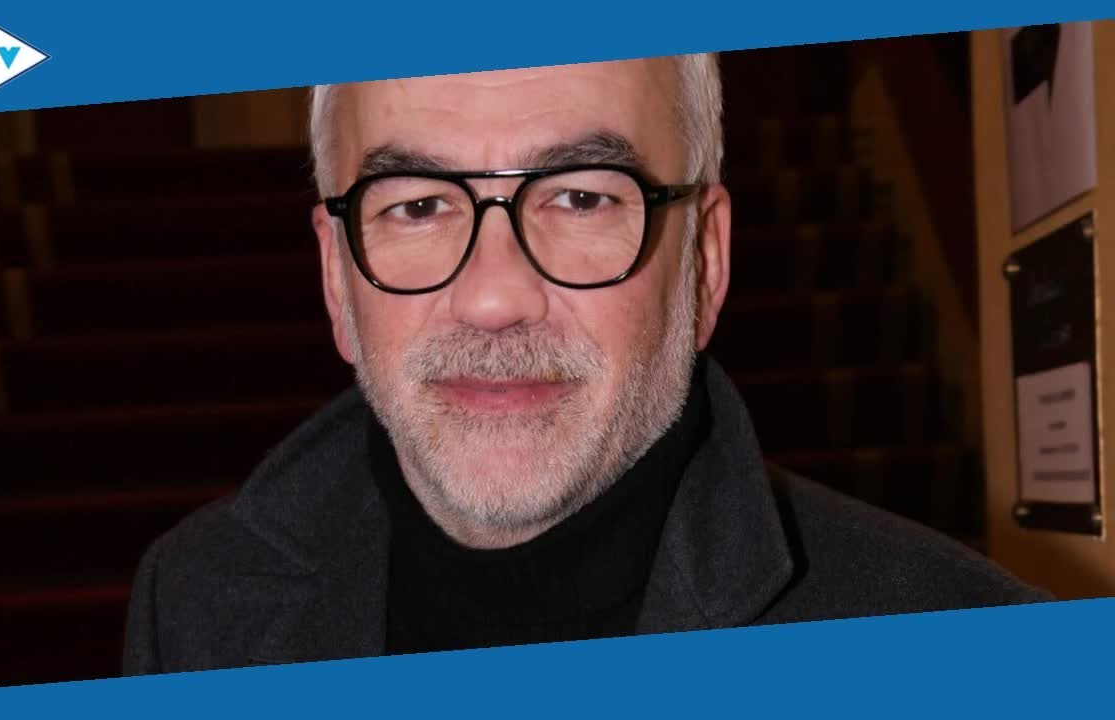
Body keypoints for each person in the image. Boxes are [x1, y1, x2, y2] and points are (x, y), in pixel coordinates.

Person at [122, 54, 1047, 674]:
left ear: (705, 261)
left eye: (579, 197)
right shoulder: (193, 604)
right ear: (336, 275)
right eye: (417, 206)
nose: (494, 298)